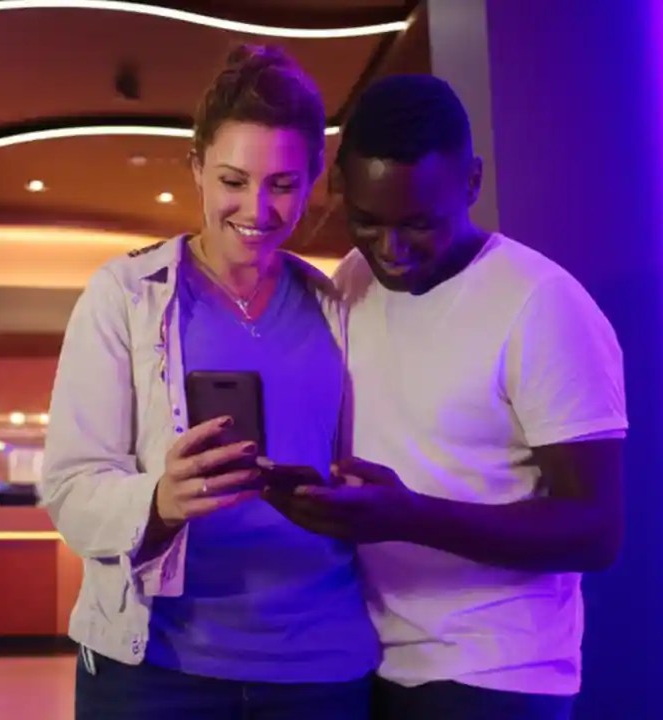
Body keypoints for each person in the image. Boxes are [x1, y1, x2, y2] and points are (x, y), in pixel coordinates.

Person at [265, 74, 628, 720]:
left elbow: (596, 530)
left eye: (418, 224)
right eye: (367, 222)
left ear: (471, 183)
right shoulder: (353, 278)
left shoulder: (542, 306)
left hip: (497, 673)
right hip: (373, 657)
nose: (392, 249)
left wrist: (406, 514)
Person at [42, 44, 379, 720]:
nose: (256, 207)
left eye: (284, 183)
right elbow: (70, 485)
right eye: (233, 179)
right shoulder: (126, 296)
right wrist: (160, 500)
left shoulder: (340, 307)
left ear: (314, 177)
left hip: (320, 665)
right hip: (157, 667)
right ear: (196, 168)